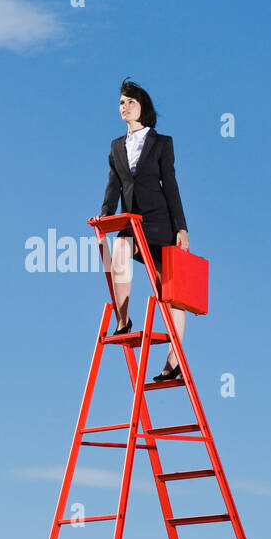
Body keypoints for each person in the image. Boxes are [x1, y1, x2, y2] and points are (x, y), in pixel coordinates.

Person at [92, 79, 189, 383]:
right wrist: (107, 215)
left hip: (160, 221)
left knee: (170, 291)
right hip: (131, 221)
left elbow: (170, 185)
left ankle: (173, 360)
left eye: (130, 102)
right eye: (121, 102)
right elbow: (114, 184)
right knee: (118, 252)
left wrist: (181, 228)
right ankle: (123, 320)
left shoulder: (162, 143)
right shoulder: (116, 146)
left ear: (142, 107)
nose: (124, 107)